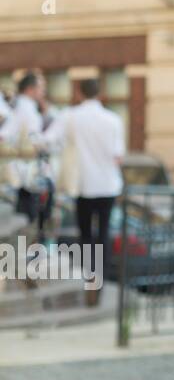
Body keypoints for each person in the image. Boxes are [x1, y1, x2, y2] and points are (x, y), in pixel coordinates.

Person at [43, 78, 125, 305]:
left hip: (82, 185)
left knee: (86, 235)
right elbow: (118, 156)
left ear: (79, 93)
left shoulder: (70, 116)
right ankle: (100, 280)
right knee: (104, 233)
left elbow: (47, 140)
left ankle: (90, 278)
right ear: (100, 94)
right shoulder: (113, 120)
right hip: (108, 186)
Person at [1, 71, 52, 241]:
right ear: (30, 89)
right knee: (30, 216)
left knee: (29, 214)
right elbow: (9, 134)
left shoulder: (24, 107)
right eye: (40, 88)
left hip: (24, 170)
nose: (43, 92)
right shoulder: (24, 108)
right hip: (25, 170)